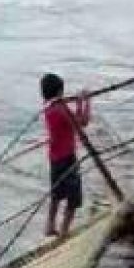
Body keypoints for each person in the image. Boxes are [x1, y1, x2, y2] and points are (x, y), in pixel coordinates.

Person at [41, 73, 91, 239]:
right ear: (60, 91)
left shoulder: (48, 108)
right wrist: (84, 102)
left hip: (54, 158)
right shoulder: (61, 109)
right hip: (67, 158)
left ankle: (49, 225)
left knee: (56, 194)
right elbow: (82, 122)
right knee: (74, 198)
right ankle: (64, 231)